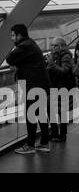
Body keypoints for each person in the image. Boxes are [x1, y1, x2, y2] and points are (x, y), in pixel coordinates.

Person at [6, 23, 51, 154]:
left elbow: (9, 58)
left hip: (33, 85)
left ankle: (30, 145)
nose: (12, 38)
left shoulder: (25, 45)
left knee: (31, 114)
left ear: (19, 35)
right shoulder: (31, 44)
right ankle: (44, 143)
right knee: (40, 114)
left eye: (13, 35)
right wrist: (18, 64)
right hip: (40, 84)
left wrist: (15, 63)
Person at [46, 37, 75, 143]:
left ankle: (62, 134)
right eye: (52, 45)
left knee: (60, 112)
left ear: (62, 46)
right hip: (54, 87)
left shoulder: (66, 56)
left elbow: (64, 71)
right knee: (51, 109)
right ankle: (54, 133)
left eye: (55, 46)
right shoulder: (54, 56)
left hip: (63, 88)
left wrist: (51, 64)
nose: (53, 48)